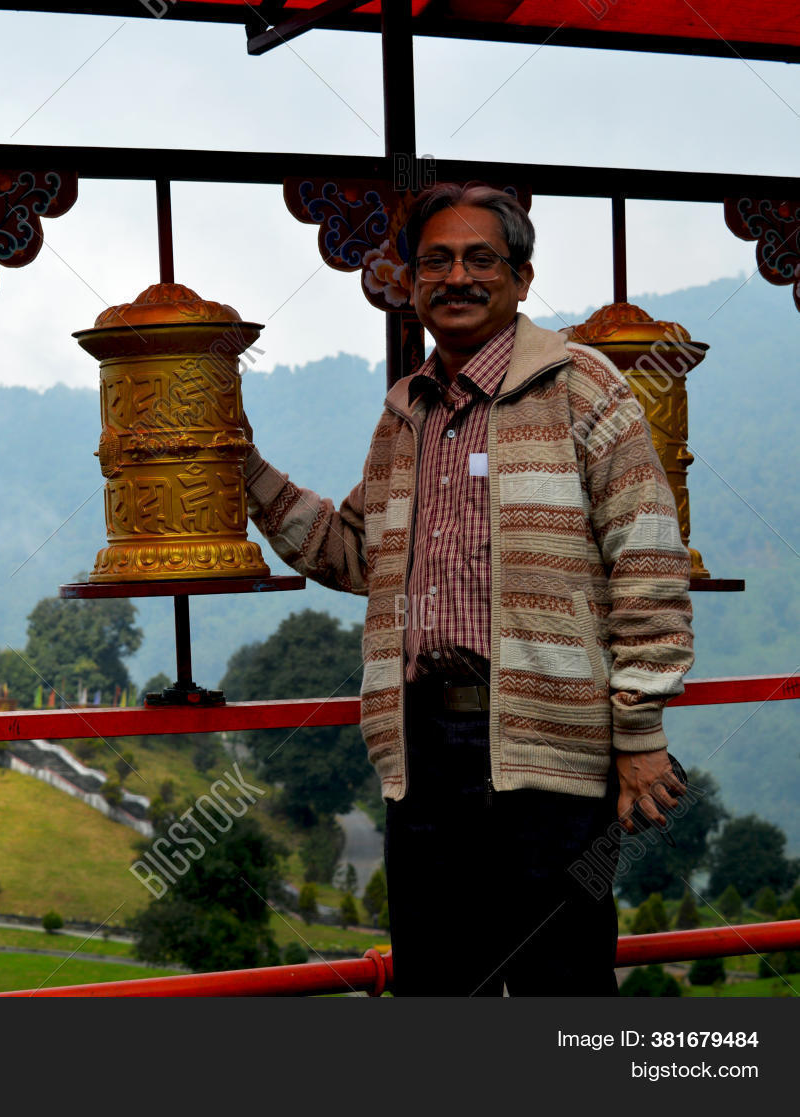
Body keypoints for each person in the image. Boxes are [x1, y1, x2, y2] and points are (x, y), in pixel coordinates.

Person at [243, 183, 693, 996]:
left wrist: (640, 729)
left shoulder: (582, 389)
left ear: (521, 278)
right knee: (440, 981)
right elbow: (355, 552)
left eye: (480, 259)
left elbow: (649, 558)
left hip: (553, 749)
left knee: (565, 981)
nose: (457, 277)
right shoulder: (407, 413)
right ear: (412, 284)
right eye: (435, 261)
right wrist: (242, 470)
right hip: (423, 750)